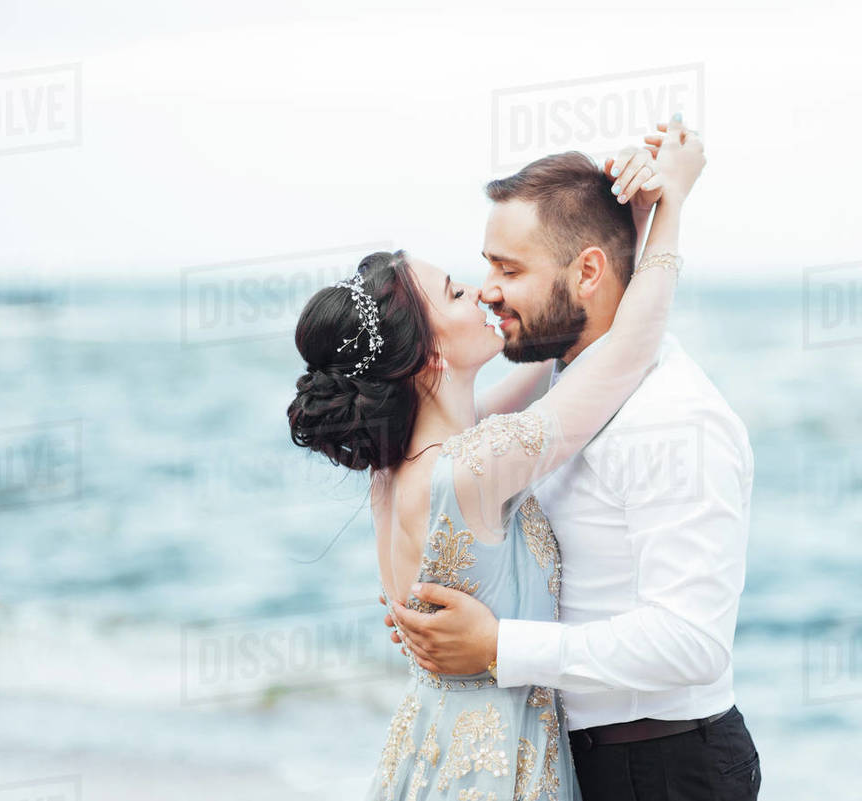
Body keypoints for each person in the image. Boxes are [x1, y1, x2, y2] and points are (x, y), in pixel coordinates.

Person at [287, 115, 704, 800]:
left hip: (432, 751)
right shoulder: (474, 467)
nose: (482, 291)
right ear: (430, 354)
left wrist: (616, 226)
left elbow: (562, 353)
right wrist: (674, 206)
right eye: (456, 292)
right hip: (494, 769)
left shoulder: (403, 463)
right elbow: (623, 354)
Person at [386, 121, 760, 800]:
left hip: (659, 770)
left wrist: (499, 646)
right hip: (564, 761)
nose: (487, 290)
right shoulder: (559, 392)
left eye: (509, 270)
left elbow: (692, 641)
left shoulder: (674, 418)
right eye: (486, 267)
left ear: (587, 272)